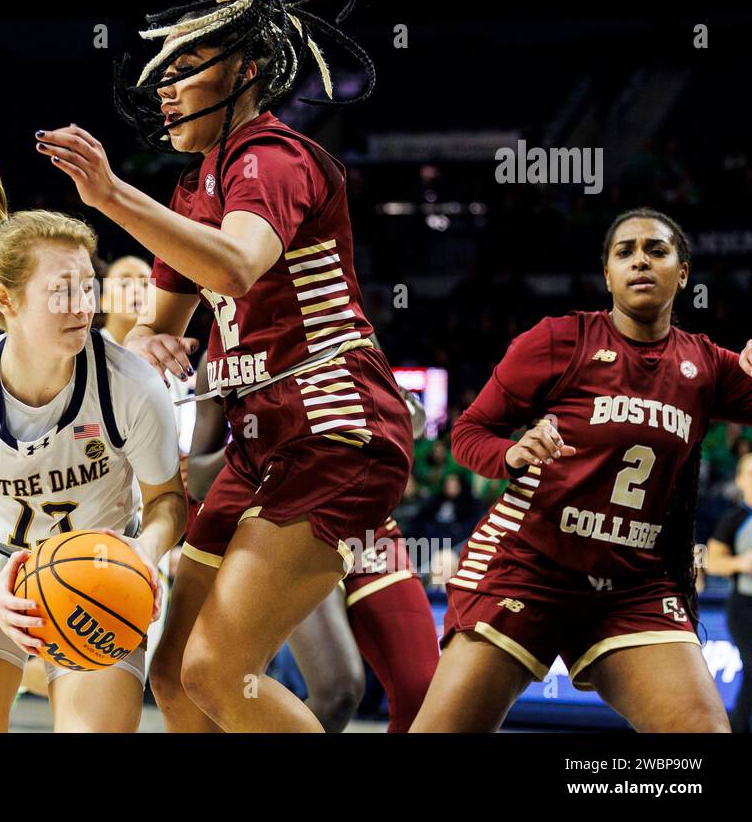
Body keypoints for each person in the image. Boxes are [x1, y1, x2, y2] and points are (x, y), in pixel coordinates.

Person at [36, 0, 411, 732]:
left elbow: (238, 264)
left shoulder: (271, 157)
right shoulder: (192, 187)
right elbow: (143, 335)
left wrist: (107, 196)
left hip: (332, 427)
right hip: (258, 444)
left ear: (243, 70)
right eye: (160, 73)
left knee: (219, 667)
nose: (161, 86)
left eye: (184, 68)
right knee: (172, 675)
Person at [0, 34, 187, 732]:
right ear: (7, 302)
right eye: (61, 291)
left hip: (101, 580)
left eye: (87, 288)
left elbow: (168, 501)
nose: (81, 305)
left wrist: (141, 557)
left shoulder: (130, 385)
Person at [413, 209, 752, 732]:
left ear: (683, 273)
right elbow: (469, 431)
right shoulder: (559, 340)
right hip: (527, 567)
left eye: (657, 250)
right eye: (625, 252)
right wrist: (512, 453)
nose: (641, 259)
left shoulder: (706, 367)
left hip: (632, 583)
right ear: (608, 275)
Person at [181, 346, 439, 732]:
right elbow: (198, 479)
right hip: (282, 526)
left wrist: (405, 409)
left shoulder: (337, 317)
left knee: (423, 691)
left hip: (368, 526)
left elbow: (410, 423)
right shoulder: (218, 356)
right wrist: (263, 441)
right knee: (339, 690)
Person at [706, 451, 752, 732]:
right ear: (740, 480)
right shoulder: (733, 520)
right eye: (750, 474)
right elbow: (712, 562)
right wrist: (741, 563)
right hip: (744, 607)